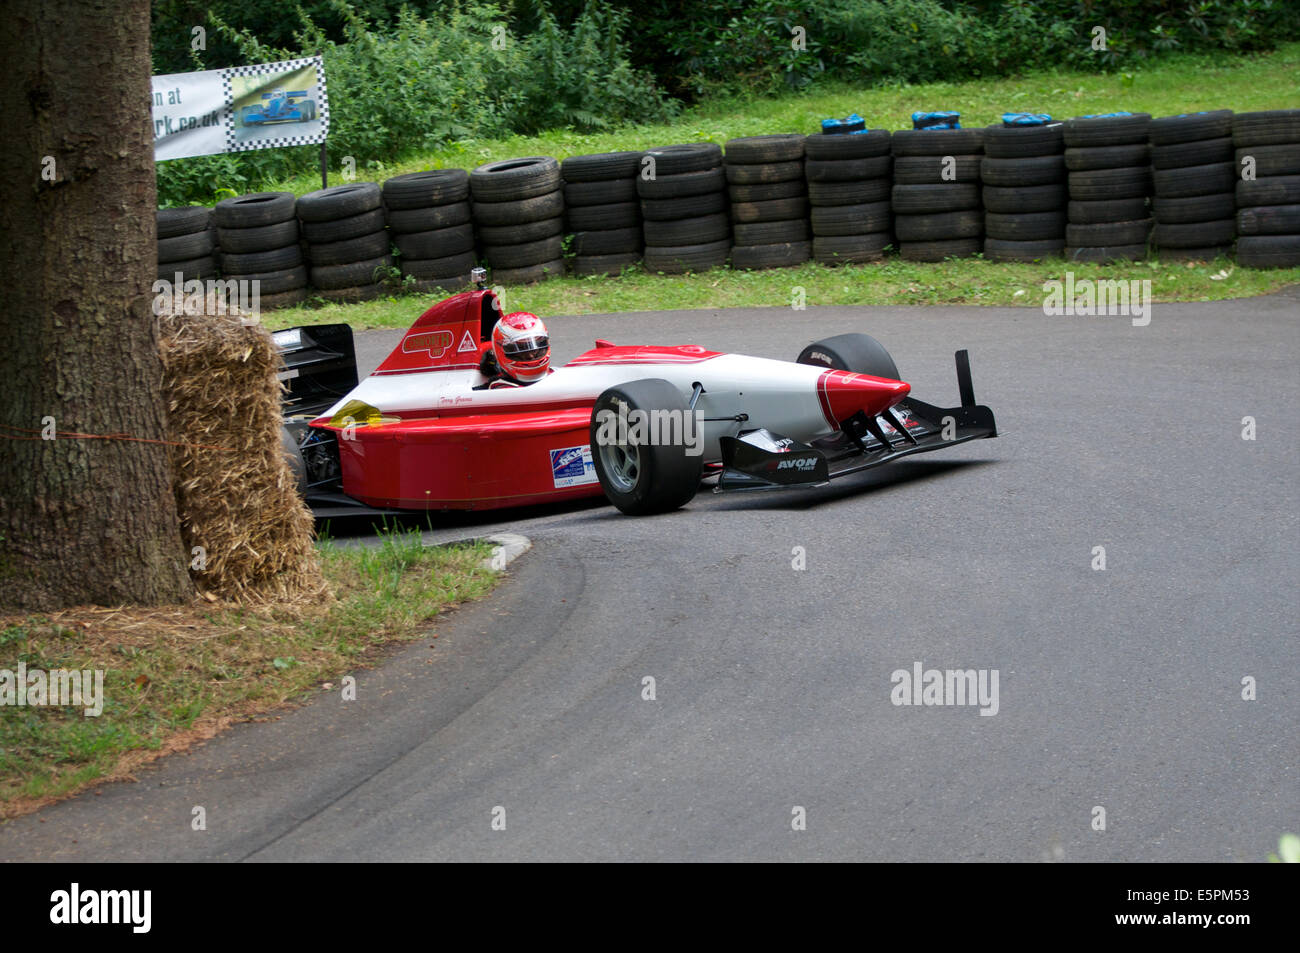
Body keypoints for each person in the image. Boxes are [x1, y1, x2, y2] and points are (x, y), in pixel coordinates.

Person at [474, 311, 551, 389]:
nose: (530, 356)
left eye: (534, 350)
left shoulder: (554, 374)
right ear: (500, 351)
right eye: (522, 350)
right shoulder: (501, 388)